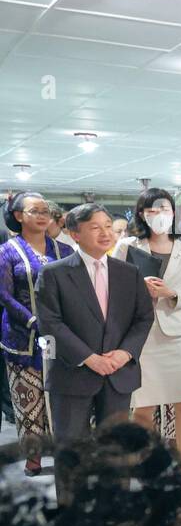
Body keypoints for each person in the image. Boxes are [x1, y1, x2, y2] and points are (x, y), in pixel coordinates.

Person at [34, 204, 153, 501]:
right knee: (70, 448)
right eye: (95, 227)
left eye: (108, 226)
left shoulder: (129, 273)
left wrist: (125, 354)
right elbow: (50, 323)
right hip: (72, 373)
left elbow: (143, 318)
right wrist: (89, 358)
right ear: (75, 233)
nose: (106, 233)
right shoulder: (54, 274)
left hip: (118, 373)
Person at [115, 189, 181, 471]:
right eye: (151, 210)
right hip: (142, 337)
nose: (158, 215)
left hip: (180, 335)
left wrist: (170, 293)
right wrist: (136, 291)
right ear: (142, 215)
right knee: (142, 405)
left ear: (173, 213)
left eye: (164, 208)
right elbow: (112, 290)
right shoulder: (127, 246)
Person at [1, 192, 75, 474]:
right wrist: (33, 321)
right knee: (27, 399)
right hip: (23, 337)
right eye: (35, 211)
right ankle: (33, 456)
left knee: (61, 396)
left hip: (61, 336)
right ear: (19, 216)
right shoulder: (7, 251)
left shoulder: (64, 251)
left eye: (46, 211)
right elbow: (4, 294)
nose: (43, 215)